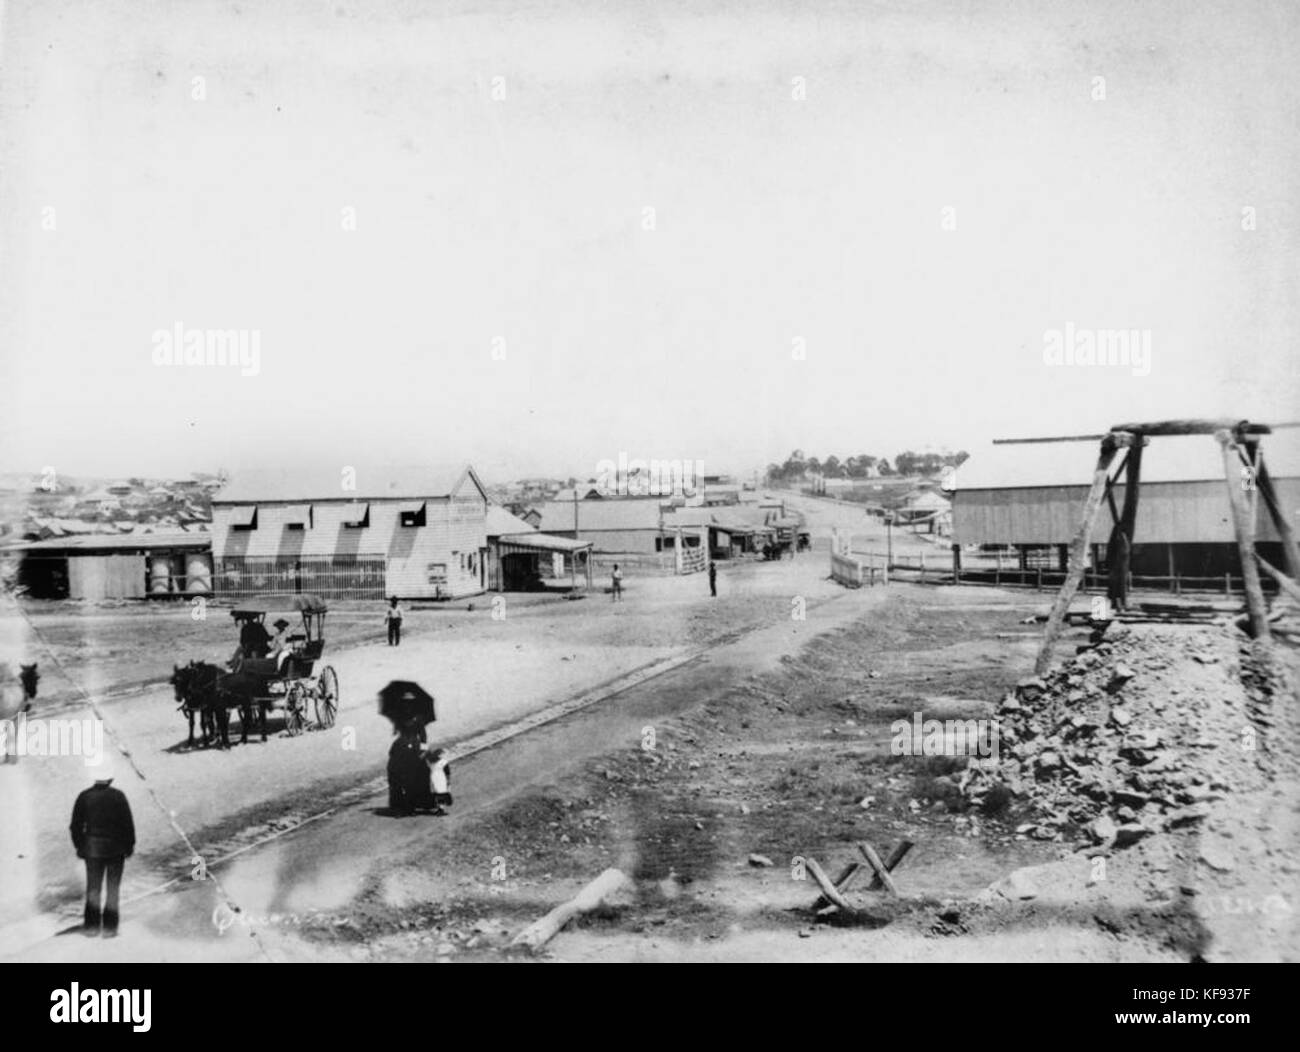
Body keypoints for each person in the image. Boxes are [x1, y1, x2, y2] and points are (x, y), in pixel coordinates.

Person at [69, 763, 135, 937]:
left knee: (93, 888)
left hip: (92, 850)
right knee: (113, 889)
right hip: (115, 849)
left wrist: (80, 846)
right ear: (110, 778)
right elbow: (127, 824)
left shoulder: (84, 797)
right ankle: (110, 928)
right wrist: (129, 846)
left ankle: (91, 927)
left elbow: (75, 826)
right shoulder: (118, 796)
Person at [426, 747, 453, 815]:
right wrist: (448, 781)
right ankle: (441, 810)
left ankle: (438, 808)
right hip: (441, 778)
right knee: (442, 794)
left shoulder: (430, 762)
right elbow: (447, 773)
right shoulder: (443, 762)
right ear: (439, 755)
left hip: (433, 778)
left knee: (436, 794)